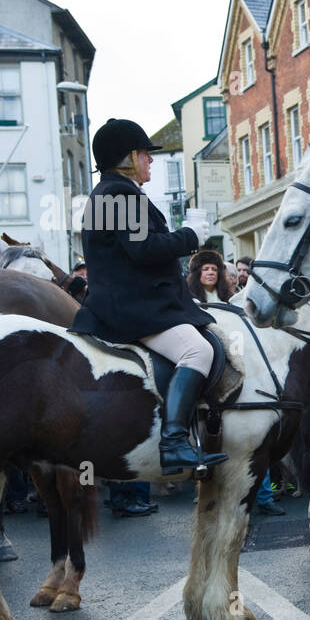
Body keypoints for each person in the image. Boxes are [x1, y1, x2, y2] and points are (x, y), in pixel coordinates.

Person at [72, 118, 228, 472]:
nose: (151, 160)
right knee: (197, 350)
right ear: (128, 157)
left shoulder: (110, 193)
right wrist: (189, 236)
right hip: (133, 307)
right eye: (145, 153)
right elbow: (143, 249)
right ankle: (173, 441)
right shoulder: (118, 193)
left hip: (126, 301)